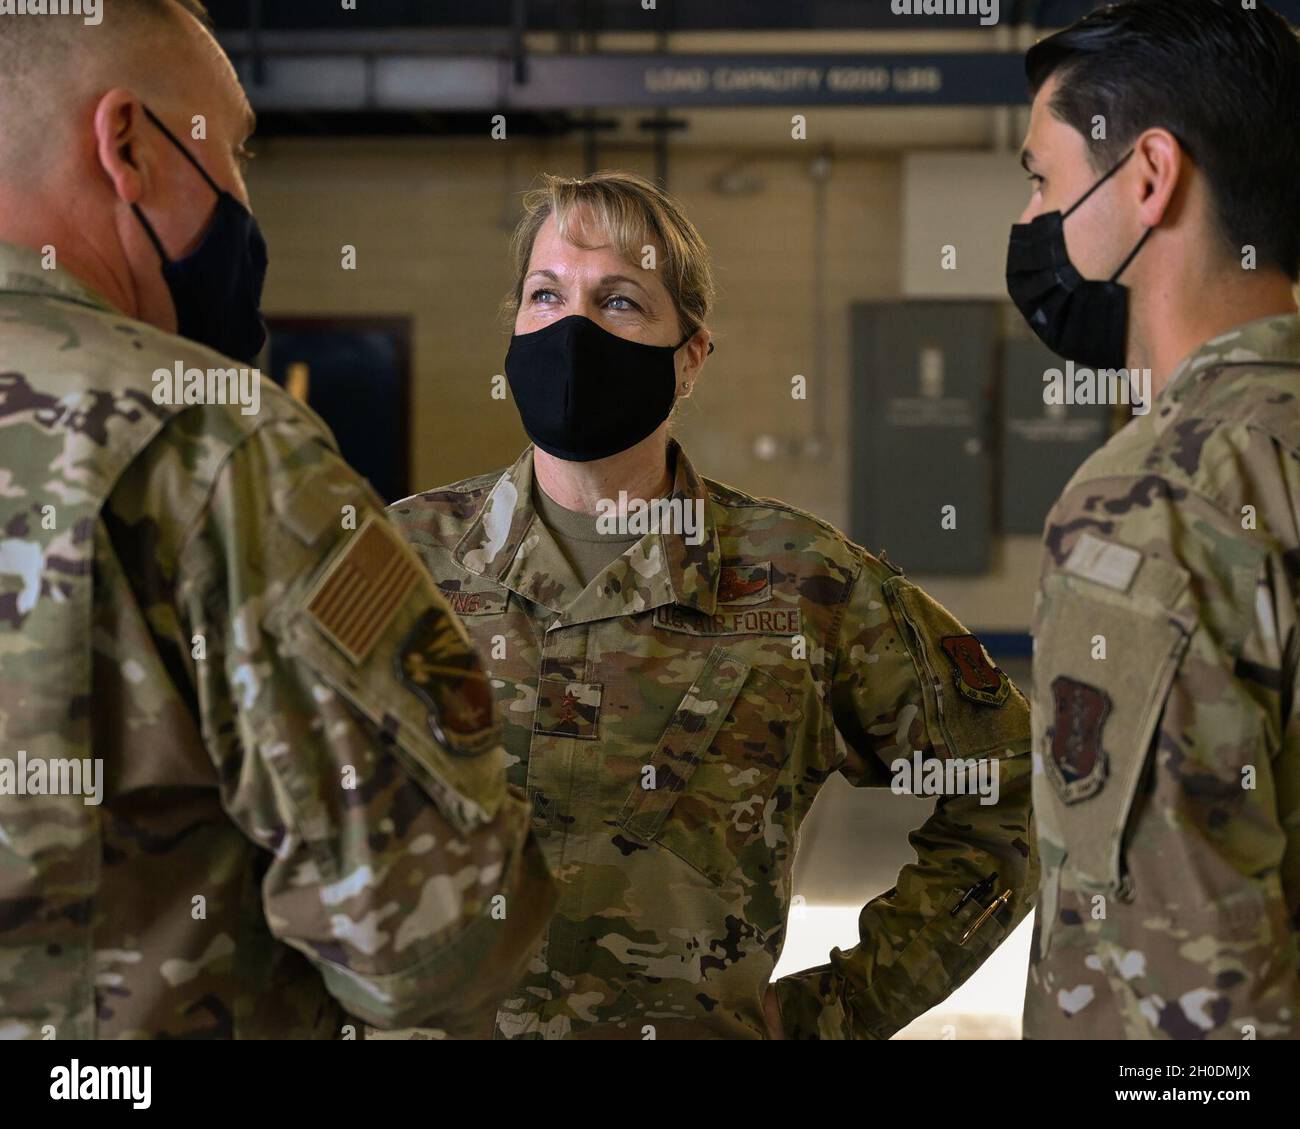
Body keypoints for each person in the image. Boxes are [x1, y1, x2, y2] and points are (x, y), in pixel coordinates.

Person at [0, 0, 554, 1040]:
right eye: (236, 150)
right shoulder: (212, 444)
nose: (244, 196)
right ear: (126, 143)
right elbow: (425, 941)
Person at [388, 170, 1038, 1039]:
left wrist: (837, 1011)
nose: (572, 329)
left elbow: (1009, 785)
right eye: (547, 295)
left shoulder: (804, 583)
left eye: (619, 302)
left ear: (689, 357)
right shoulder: (400, 562)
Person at [1009, 0, 1300, 1038]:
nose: (1035, 220)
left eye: (1042, 178)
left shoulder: (1155, 499)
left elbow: (1186, 984)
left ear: (1146, 177)